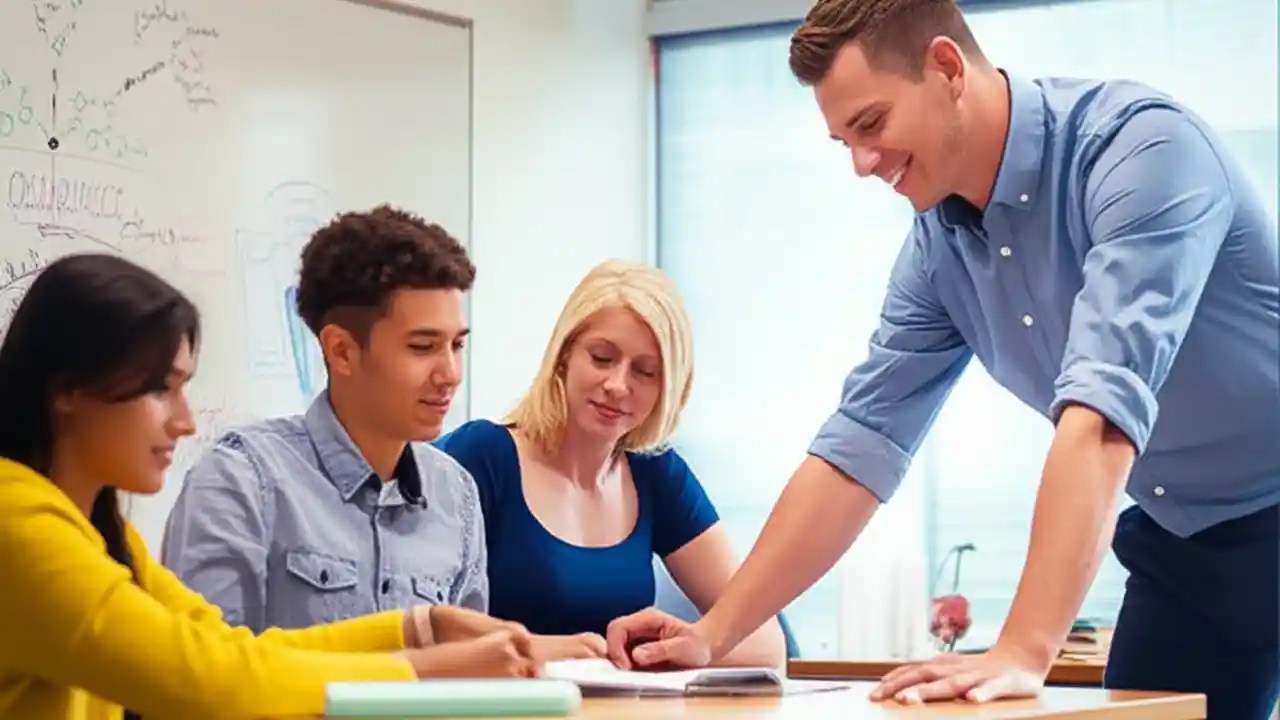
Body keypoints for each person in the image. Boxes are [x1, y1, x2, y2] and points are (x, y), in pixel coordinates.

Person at [604, 1, 1279, 717]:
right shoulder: (937, 250)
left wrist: (1023, 650)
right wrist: (714, 634)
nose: (863, 164)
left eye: (871, 124)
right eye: (844, 143)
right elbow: (859, 446)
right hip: (1184, 549)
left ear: (947, 68)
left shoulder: (1142, 154)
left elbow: (1104, 412)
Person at [0, 253, 540, 720]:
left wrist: (420, 627)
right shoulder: (19, 526)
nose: (185, 421)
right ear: (68, 390)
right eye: (160, 390)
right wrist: (422, 670)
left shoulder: (97, 529)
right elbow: (208, 680)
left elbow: (226, 647)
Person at [162, 205, 603, 662]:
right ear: (342, 351)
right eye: (422, 347)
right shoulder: (242, 481)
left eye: (457, 345)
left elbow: (469, 679)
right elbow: (203, 679)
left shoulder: (457, 496)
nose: (450, 374)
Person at [436, 260, 786, 667]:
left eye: (645, 371)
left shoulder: (656, 472)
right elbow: (413, 630)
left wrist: (652, 652)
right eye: (602, 358)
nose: (618, 385)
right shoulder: (481, 457)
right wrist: (541, 651)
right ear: (564, 356)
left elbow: (765, 643)